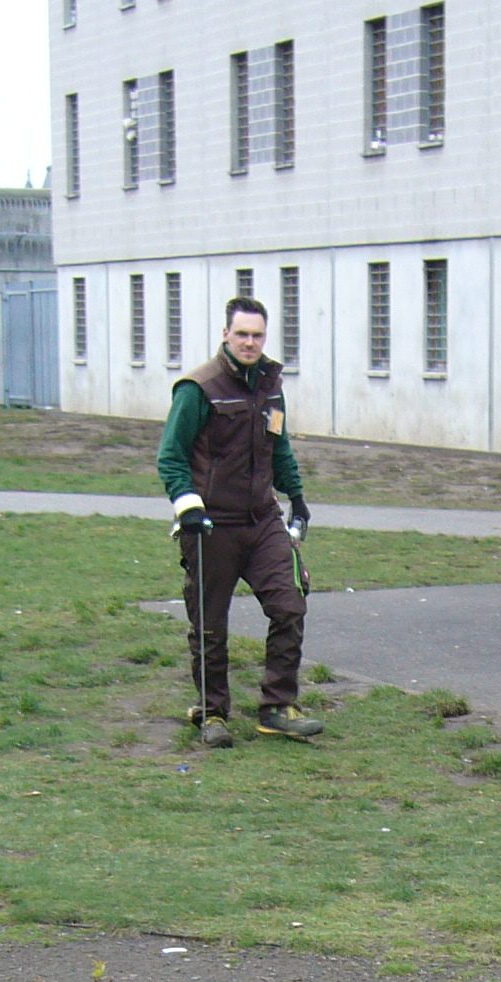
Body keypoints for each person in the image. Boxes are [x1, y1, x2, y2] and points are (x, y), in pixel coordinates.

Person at [155, 296, 322, 746]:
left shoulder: (270, 385)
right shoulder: (198, 388)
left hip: (262, 518)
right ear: (225, 335)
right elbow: (170, 456)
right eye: (242, 334)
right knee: (210, 623)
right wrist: (187, 505)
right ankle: (213, 714)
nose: (250, 342)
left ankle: (277, 707)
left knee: (290, 604)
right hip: (211, 523)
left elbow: (279, 445)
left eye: (257, 335)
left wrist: (297, 498)